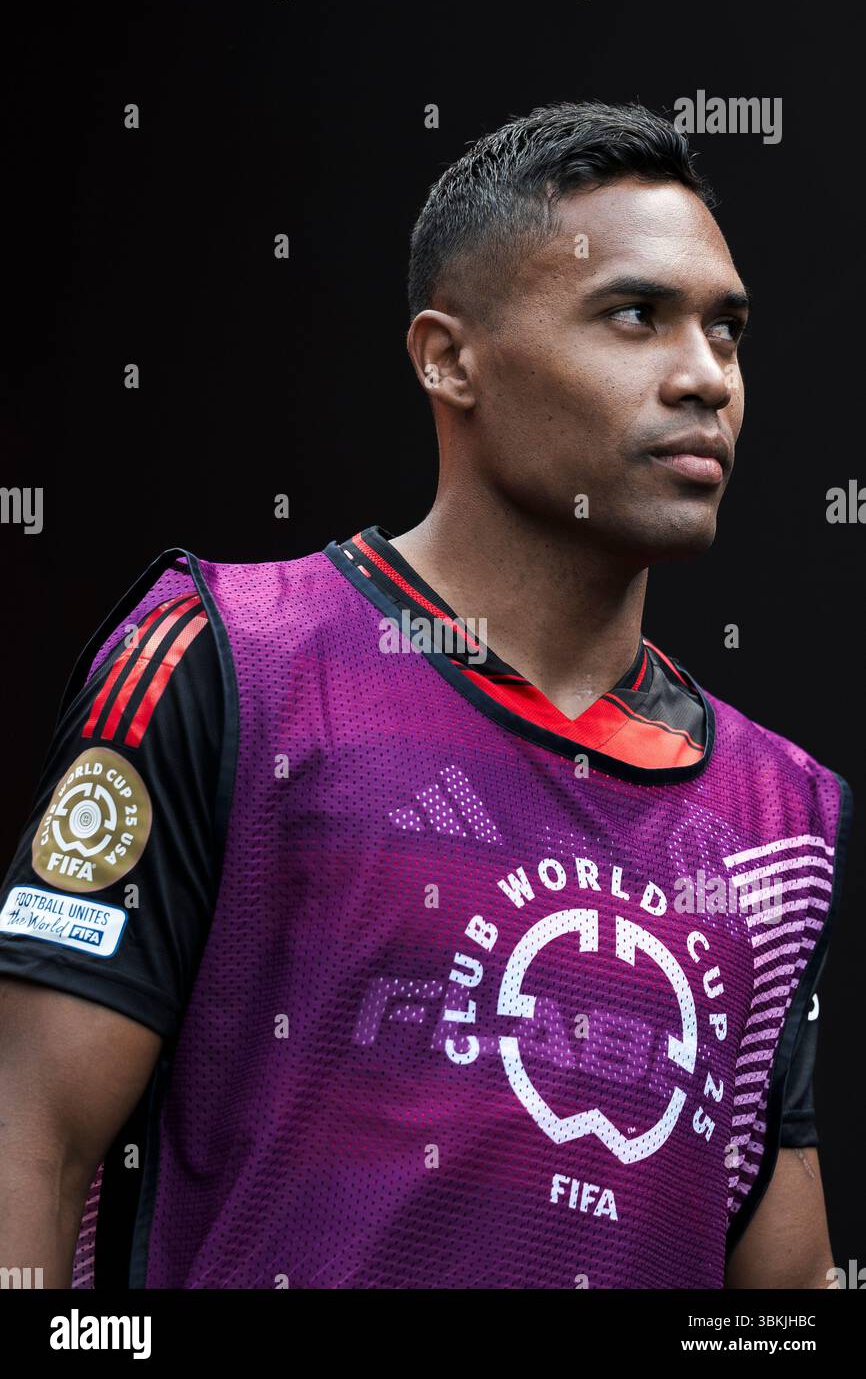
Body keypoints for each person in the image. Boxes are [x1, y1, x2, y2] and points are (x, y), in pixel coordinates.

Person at [0, 101, 851, 1289]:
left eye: (727, 331)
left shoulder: (782, 823)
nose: (703, 377)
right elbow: (30, 1136)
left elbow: (786, 1284)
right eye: (634, 316)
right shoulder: (227, 655)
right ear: (448, 358)